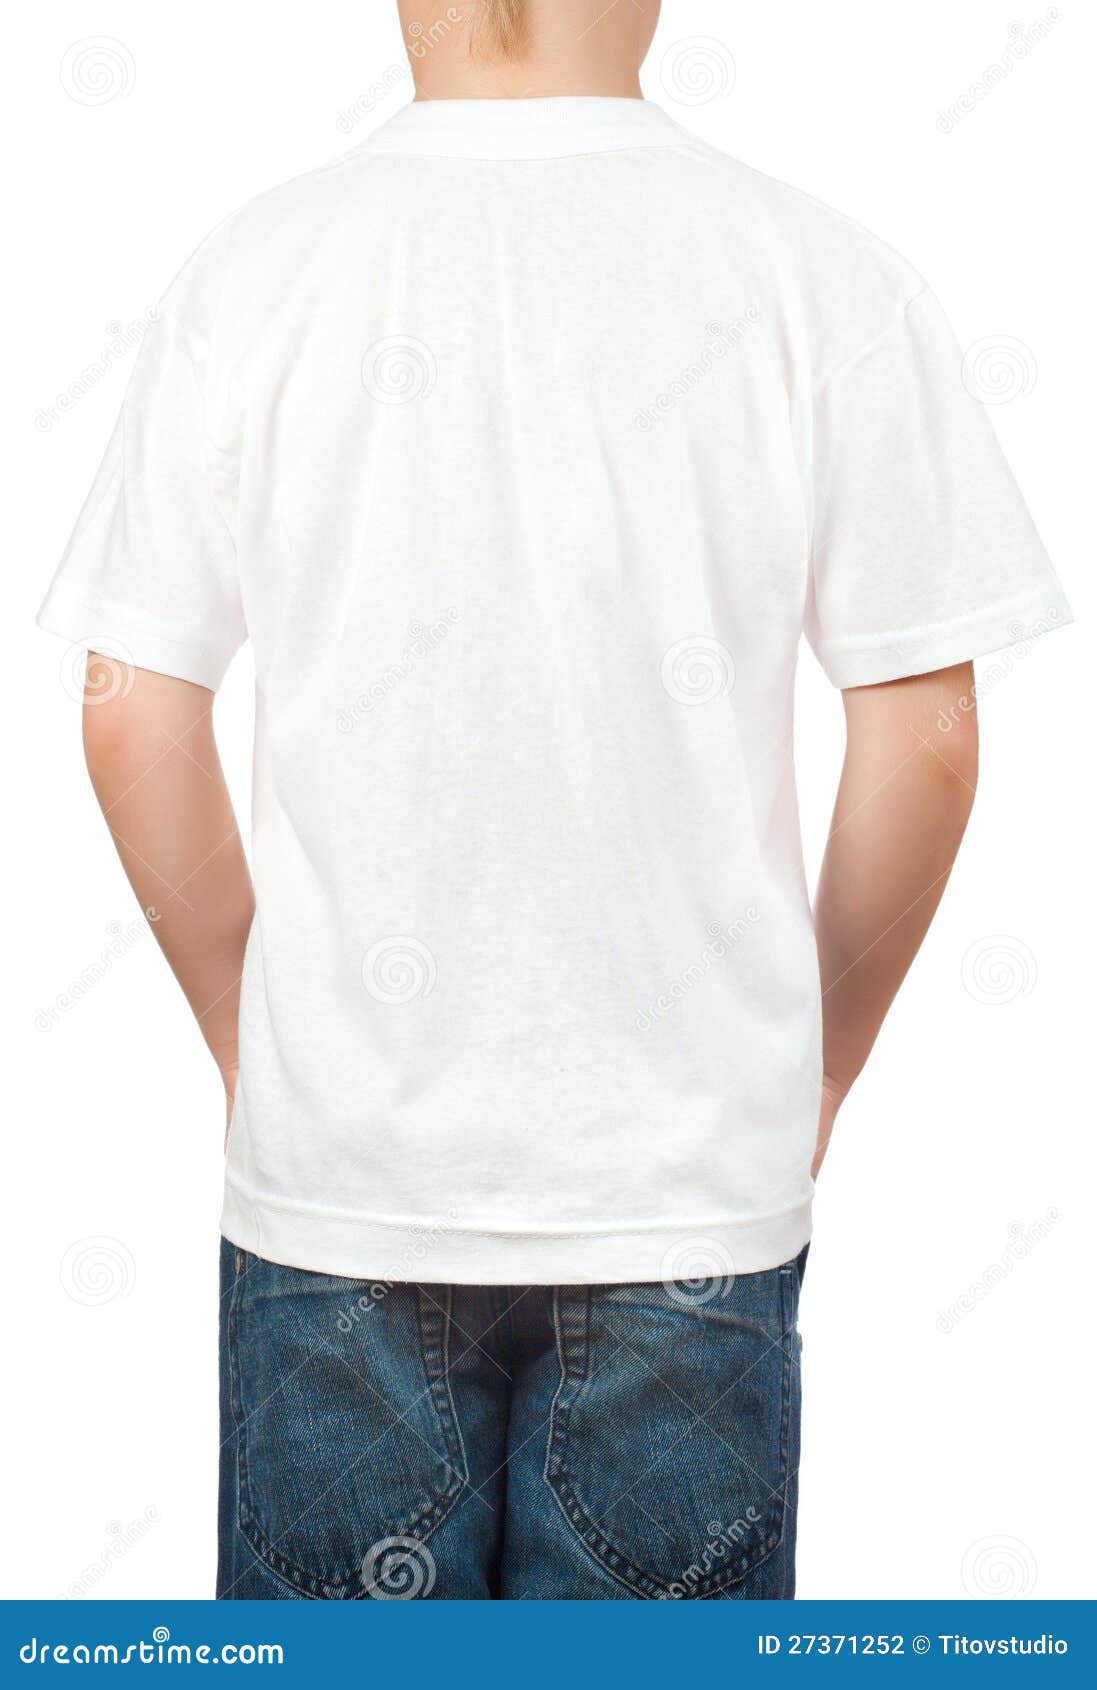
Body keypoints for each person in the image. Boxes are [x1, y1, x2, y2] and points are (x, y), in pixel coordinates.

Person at [37, 0, 1071, 1600]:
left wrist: (257, 1038)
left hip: (339, 1198)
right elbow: (924, 736)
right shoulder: (817, 275)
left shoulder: (252, 273)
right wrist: (821, 1059)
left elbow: (133, 714)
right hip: (687, 1208)